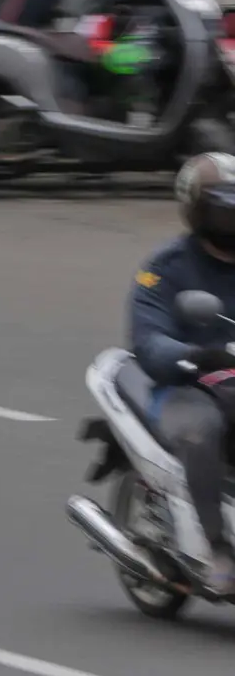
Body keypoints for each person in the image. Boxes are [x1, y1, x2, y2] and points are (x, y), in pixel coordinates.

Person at [131, 152, 235, 597]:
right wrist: (197, 354)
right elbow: (149, 341)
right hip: (187, 386)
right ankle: (218, 550)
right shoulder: (167, 267)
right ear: (198, 209)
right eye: (224, 207)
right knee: (201, 431)